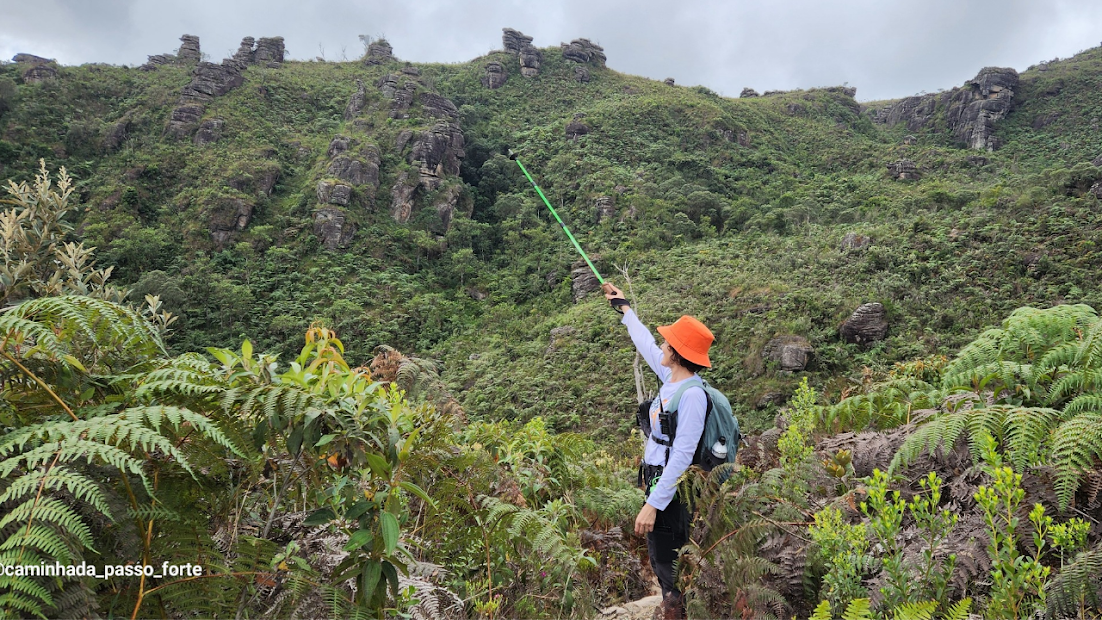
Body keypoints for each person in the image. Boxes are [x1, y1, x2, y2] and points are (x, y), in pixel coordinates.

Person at [602, 283, 714, 619]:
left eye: (669, 342)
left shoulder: (693, 395)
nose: (662, 344)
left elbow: (682, 455)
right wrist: (624, 309)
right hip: (657, 479)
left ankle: (676, 611)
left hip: (672, 488)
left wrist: (653, 504)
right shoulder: (671, 377)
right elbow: (645, 344)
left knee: (668, 560)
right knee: (660, 555)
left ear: (678, 353)